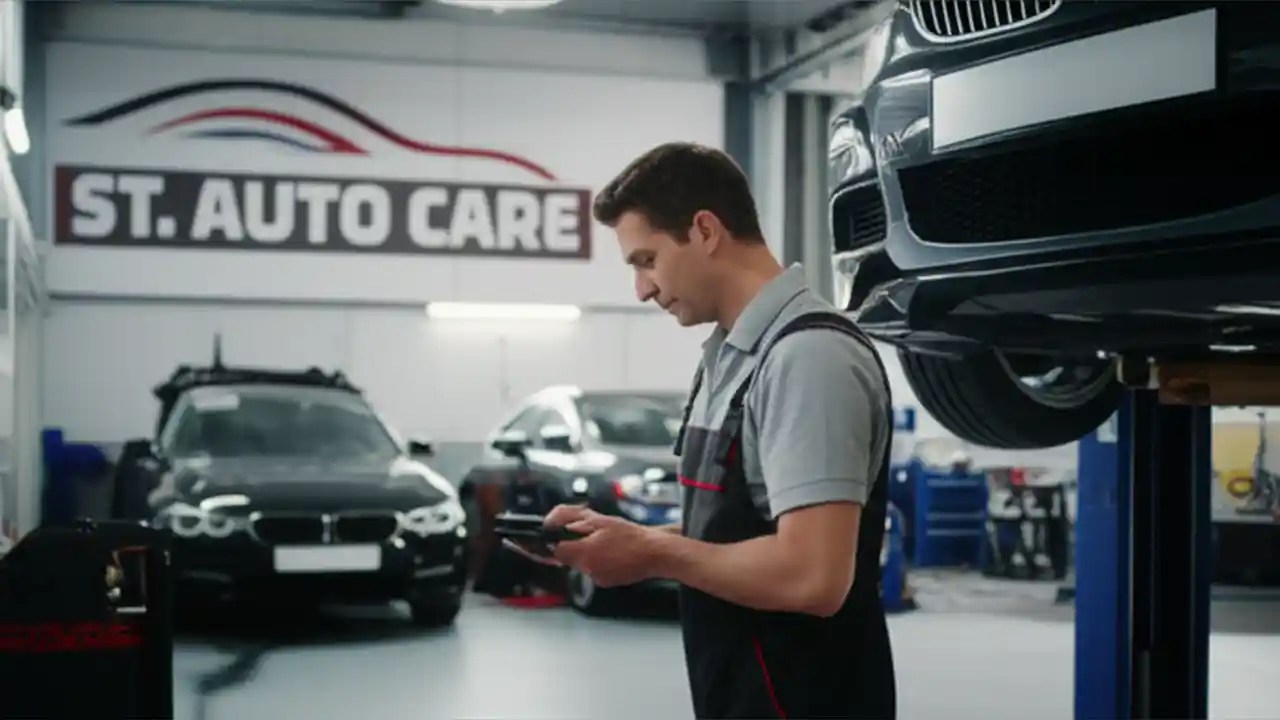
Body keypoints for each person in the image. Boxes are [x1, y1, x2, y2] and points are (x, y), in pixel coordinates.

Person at [507, 142, 897, 719]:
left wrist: (656, 552)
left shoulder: (808, 358)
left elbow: (814, 577)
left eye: (646, 260)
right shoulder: (730, 358)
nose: (641, 288)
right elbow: (735, 528)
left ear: (705, 230)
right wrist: (621, 540)